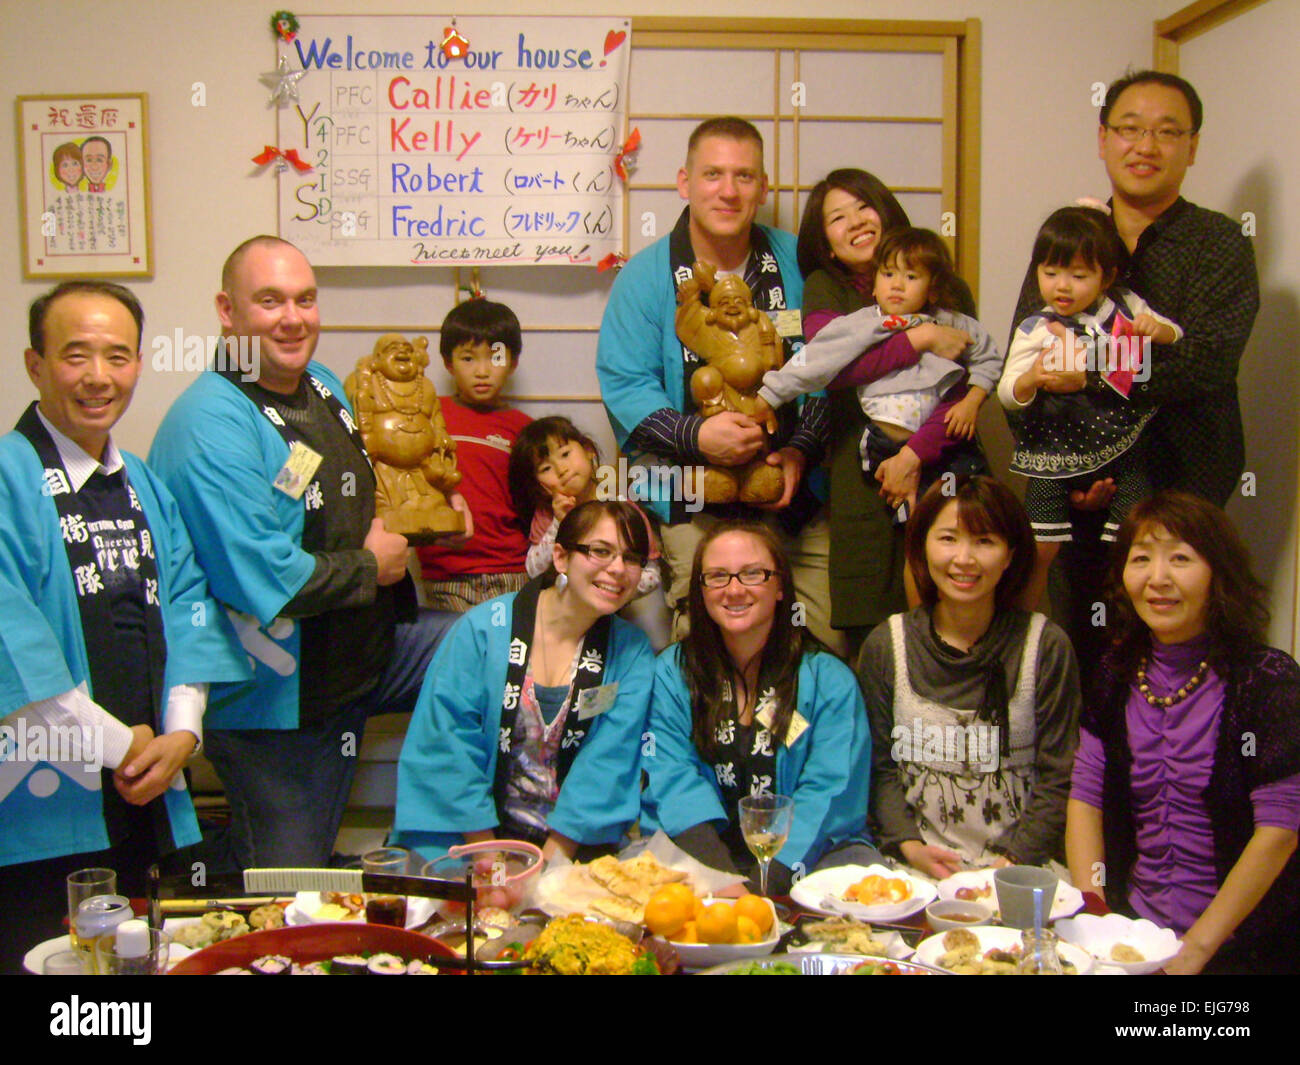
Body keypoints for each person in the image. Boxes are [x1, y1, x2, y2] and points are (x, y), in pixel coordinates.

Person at [149, 236, 465, 869]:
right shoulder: (210, 422)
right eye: (269, 301)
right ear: (227, 310)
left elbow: (350, 488)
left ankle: (469, 854)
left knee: (497, 649)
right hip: (278, 693)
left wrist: (421, 516)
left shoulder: (320, 385)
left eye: (305, 299)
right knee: (287, 886)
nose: (293, 318)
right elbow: (262, 579)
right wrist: (374, 565)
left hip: (366, 648)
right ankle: (209, 876)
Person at [0, 282, 246, 973]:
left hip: (150, 794)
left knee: (145, 972)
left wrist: (181, 734)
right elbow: (11, 652)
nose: (99, 377)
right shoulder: (6, 478)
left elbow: (192, 606)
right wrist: (125, 746)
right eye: (76, 355)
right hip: (41, 807)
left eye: (118, 355)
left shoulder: (141, 479)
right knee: (51, 974)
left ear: (139, 363)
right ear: (35, 363)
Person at [1011, 70, 1258, 673]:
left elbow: (1205, 363)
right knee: (1083, 646)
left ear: (1192, 146)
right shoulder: (1069, 234)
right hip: (1077, 481)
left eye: (1167, 132)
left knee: (1181, 651)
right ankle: (1086, 766)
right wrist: (1061, 460)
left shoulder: (1219, 242)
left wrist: (1089, 378)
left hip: (1185, 481)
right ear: (1103, 138)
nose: (1146, 146)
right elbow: (1030, 352)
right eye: (1130, 129)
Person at [596, 117, 843, 655]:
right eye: (713, 174)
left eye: (744, 176)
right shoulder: (645, 275)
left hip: (794, 493)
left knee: (818, 637)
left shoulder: (799, 262)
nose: (728, 191)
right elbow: (626, 380)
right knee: (711, 643)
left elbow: (831, 363)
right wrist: (697, 437)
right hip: (693, 493)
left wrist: (801, 450)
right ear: (684, 182)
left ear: (764, 187)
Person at [1067, 492, 1300, 975]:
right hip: (1134, 936)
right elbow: (1086, 797)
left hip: (1242, 951)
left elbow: (1279, 831)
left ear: (1218, 574)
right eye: (1141, 559)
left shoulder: (1266, 678)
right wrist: (1094, 915)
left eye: (1180, 559)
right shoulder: (1114, 673)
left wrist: (1193, 953)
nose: (1158, 579)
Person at [394, 500, 655, 863]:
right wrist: (490, 858)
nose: (618, 569)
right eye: (601, 551)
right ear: (561, 557)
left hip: (574, 846)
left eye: (632, 559)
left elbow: (607, 761)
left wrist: (549, 865)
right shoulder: (483, 628)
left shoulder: (631, 651)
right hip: (472, 836)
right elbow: (448, 744)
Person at [857, 476, 1081, 879]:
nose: (964, 558)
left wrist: (1012, 862)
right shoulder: (885, 645)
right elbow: (878, 767)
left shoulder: (1046, 646)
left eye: (985, 541)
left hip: (1021, 868)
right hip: (911, 868)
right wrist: (909, 845)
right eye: (948, 539)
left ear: (1011, 555)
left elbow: (1058, 776)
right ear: (922, 547)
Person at [797, 169, 978, 656]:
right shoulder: (824, 286)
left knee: (952, 596)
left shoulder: (943, 284)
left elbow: (960, 385)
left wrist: (914, 455)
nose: (855, 221)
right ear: (827, 243)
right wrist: (919, 338)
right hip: (860, 471)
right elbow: (830, 367)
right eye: (838, 217)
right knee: (871, 625)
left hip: (943, 458)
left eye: (864, 206)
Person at [641, 521, 876, 895]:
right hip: (699, 853)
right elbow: (671, 777)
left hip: (807, 857)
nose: (734, 590)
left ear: (780, 585)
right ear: (700, 591)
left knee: (859, 886)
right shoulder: (673, 672)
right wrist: (722, 879)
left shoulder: (829, 679)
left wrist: (767, 887)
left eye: (753, 574)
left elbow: (830, 791)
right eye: (717, 577)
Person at [1000, 204, 1182, 608]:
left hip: (1119, 443)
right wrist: (1031, 379)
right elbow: (1007, 391)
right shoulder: (1035, 327)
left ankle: (1128, 631)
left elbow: (1175, 332)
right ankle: (1020, 631)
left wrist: (1160, 330)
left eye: (1079, 276)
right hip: (1053, 451)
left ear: (1107, 276)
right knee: (1039, 549)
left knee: (1133, 543)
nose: (1062, 286)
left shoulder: (1127, 306)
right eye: (1050, 273)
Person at [756, 226, 997, 522]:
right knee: (919, 522)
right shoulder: (863, 324)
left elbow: (990, 358)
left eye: (911, 277)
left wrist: (973, 400)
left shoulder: (951, 323)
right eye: (888, 274)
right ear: (873, 284)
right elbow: (816, 358)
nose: (897, 285)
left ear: (932, 288)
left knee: (965, 516)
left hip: (947, 445)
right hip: (885, 442)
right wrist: (770, 395)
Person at [415, 298, 533, 612]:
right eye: (468, 358)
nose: (482, 371)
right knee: (458, 657)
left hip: (510, 569)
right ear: (448, 363)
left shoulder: (525, 429)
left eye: (495, 357)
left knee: (507, 657)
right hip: (446, 572)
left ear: (513, 361)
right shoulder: (428, 414)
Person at [509, 415, 662, 596]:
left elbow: (652, 574)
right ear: (540, 486)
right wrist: (558, 523)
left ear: (588, 450)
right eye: (546, 468)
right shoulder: (547, 515)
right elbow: (534, 571)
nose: (561, 469)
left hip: (612, 604)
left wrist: (613, 590)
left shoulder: (622, 509)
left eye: (565, 454)